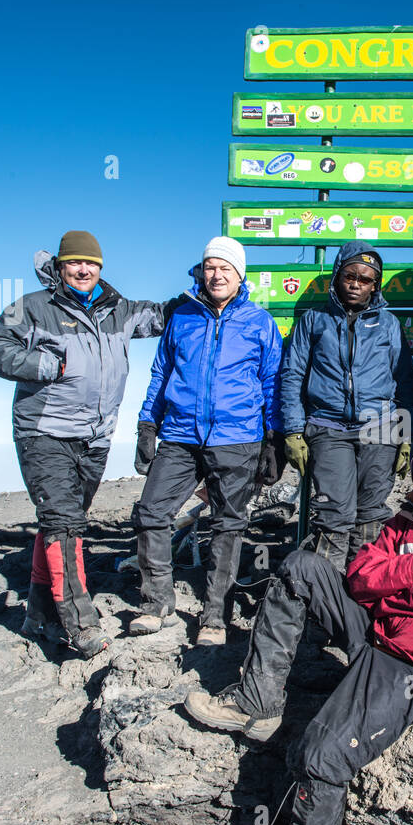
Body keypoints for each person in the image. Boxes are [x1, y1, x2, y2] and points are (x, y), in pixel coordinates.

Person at [181, 427, 413, 825]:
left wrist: (392, 588)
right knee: (302, 566)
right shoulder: (404, 520)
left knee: (322, 755)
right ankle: (258, 701)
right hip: (380, 632)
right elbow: (358, 577)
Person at [0, 230, 174, 658]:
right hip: (45, 432)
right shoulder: (33, 307)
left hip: (96, 437)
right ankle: (79, 623)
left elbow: (164, 315)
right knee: (65, 525)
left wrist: (202, 284)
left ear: (101, 268)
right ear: (60, 267)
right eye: (75, 263)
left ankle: (37, 614)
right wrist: (43, 364)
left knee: (59, 523)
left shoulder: (119, 310)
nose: (84, 270)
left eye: (91, 264)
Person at [130, 236, 283, 646]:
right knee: (151, 512)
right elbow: (160, 374)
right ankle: (157, 602)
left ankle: (215, 616)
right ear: (202, 271)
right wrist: (148, 423)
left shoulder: (259, 323)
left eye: (226, 269)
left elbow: (271, 383)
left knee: (227, 525)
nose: (217, 275)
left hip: (238, 438)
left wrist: (273, 438)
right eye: (211, 267)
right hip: (180, 435)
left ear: (240, 276)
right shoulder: (182, 317)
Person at [279, 241, 413, 570]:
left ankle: (361, 594)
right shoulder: (314, 321)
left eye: (366, 279)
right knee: (334, 513)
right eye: (350, 275)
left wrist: (408, 434)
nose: (356, 283)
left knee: (371, 513)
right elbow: (292, 375)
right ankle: (327, 597)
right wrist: (293, 431)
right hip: (328, 428)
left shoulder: (388, 324)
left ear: (375, 285)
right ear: (337, 276)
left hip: (380, 427)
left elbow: (405, 382)